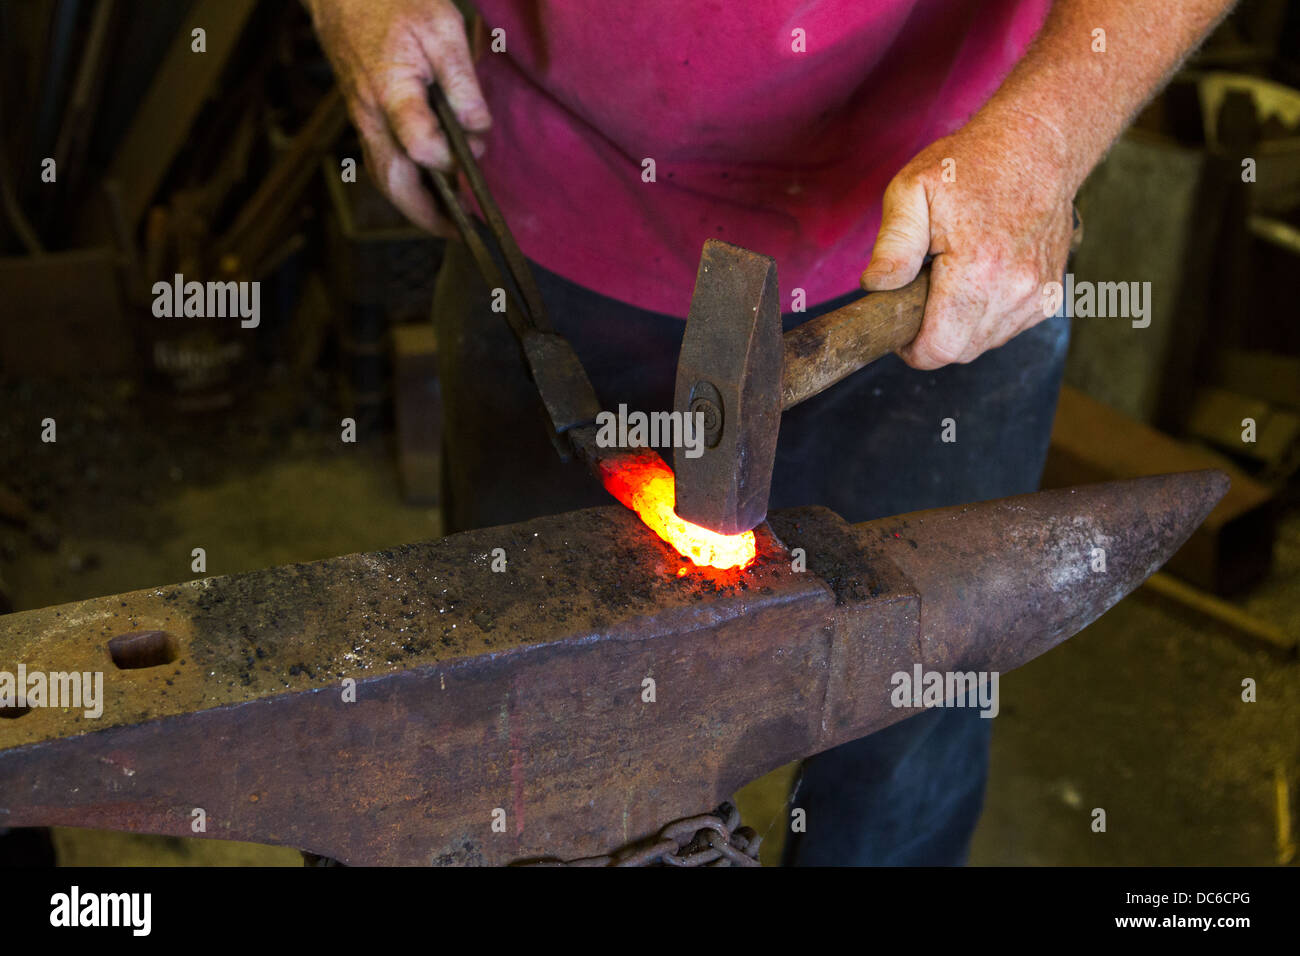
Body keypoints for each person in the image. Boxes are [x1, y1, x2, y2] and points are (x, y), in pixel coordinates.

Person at [306, 0, 1236, 865]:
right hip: (553, 220)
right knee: (523, 740)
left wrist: (1048, 137)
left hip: (950, 234)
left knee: (898, 744)